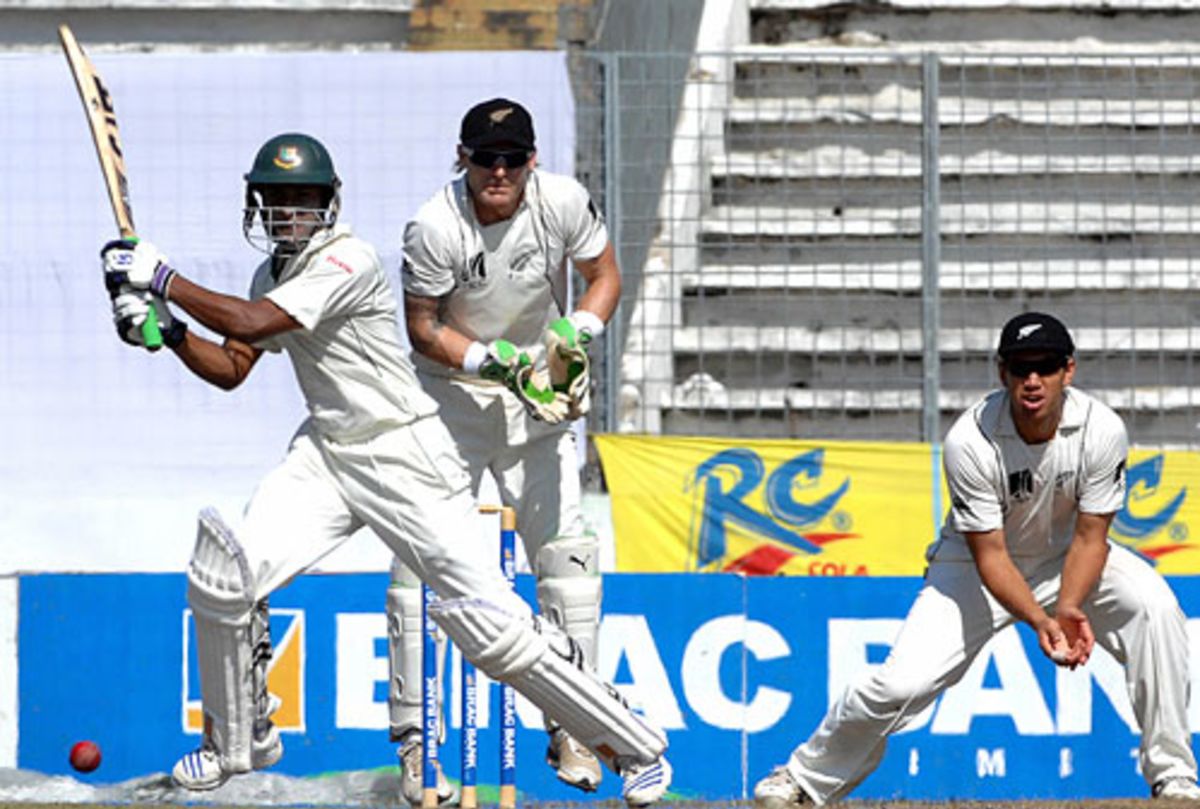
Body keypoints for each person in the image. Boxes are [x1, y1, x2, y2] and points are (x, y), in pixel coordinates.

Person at [101, 132, 672, 807]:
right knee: (225, 576)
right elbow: (232, 366)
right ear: (258, 204)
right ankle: (238, 740)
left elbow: (252, 320)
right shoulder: (271, 276)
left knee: (491, 628)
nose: (291, 213)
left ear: (328, 203)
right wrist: (164, 330)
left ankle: (635, 746)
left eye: (304, 199)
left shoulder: (350, 259)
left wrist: (161, 279)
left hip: (406, 454)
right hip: (328, 452)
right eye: (278, 199)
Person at [753, 311, 1200, 806]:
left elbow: (1091, 538)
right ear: (1002, 372)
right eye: (1020, 367)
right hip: (971, 566)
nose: (1033, 380)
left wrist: (1068, 607)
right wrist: (1040, 619)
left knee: (1156, 611)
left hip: (1066, 559)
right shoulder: (971, 439)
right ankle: (801, 779)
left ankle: (1173, 774)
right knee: (900, 685)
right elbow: (990, 554)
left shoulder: (1102, 430)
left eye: (1046, 366)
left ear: (1067, 371)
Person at [384, 97, 615, 806]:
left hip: (537, 397)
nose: (500, 171)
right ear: (464, 158)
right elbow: (421, 327)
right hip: (450, 399)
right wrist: (493, 363)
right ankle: (417, 747)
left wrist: (576, 334)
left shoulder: (562, 200)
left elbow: (604, 275)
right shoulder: (434, 225)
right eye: (487, 158)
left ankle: (573, 722)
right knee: (415, 563)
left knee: (569, 560)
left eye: (513, 158)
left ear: (532, 160)